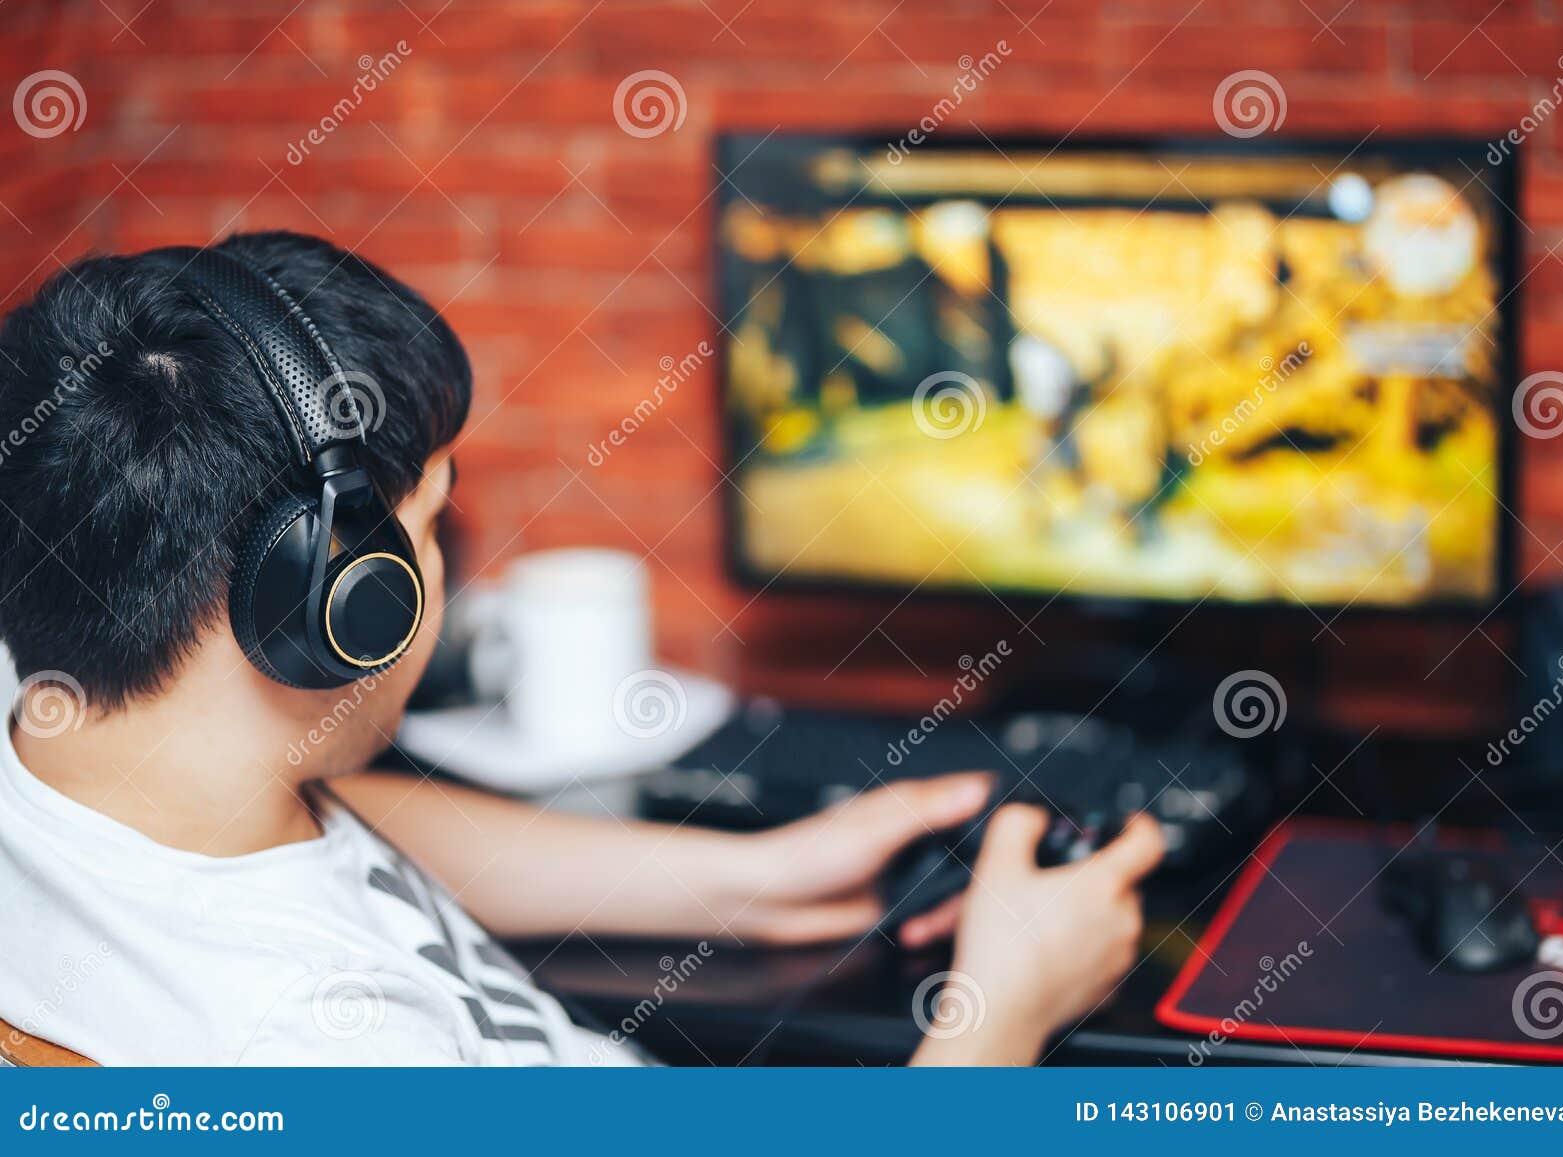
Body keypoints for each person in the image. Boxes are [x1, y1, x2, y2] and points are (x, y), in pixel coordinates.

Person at [0, 232, 1164, 1066]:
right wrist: (1000, 1015)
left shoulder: (75, 745)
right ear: (345, 597)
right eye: (433, 521)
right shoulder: (312, 1046)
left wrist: (754, 881)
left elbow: (296, 814)